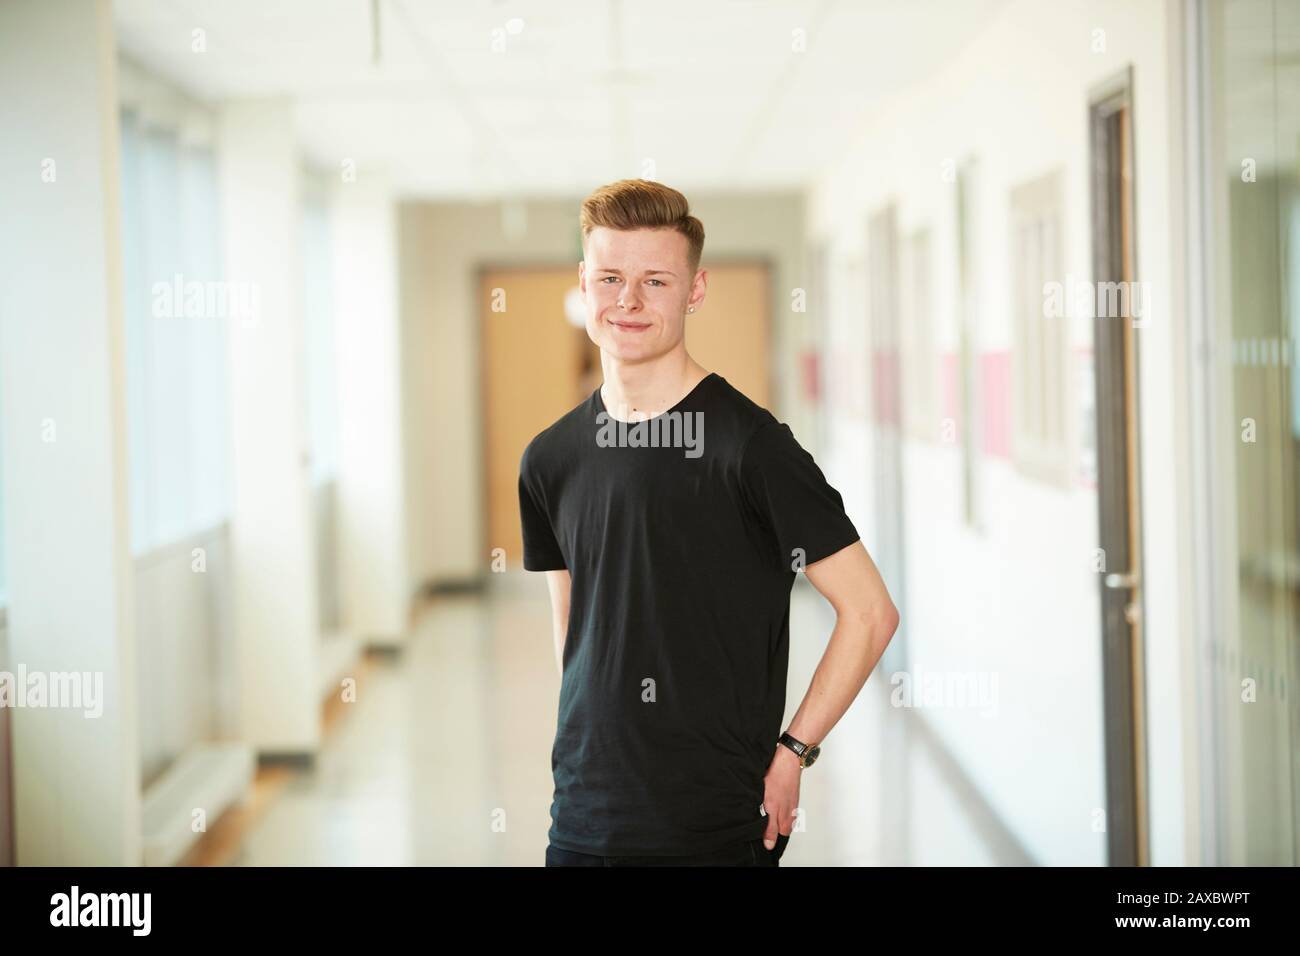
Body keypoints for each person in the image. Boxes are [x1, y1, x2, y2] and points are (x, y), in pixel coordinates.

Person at [519, 178, 899, 867]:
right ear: (584, 285)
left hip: (717, 823)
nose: (628, 301)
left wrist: (794, 751)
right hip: (582, 819)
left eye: (655, 281)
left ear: (694, 291)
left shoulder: (751, 448)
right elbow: (572, 633)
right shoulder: (549, 459)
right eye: (609, 278)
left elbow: (870, 613)